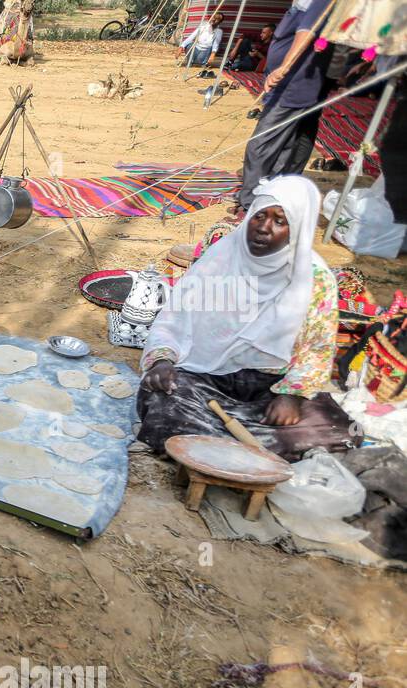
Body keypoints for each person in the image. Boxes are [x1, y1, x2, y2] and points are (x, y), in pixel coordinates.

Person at [137, 176, 359, 463]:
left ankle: (207, 446)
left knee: (341, 431)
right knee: (161, 399)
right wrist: (162, 361)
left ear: (298, 229)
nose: (264, 228)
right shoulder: (220, 258)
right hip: (206, 378)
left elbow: (317, 348)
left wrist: (292, 396)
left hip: (272, 388)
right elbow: (173, 320)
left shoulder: (314, 278)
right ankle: (249, 450)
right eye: (259, 216)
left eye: (280, 221)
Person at [235, 0, 332, 213]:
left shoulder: (316, 3)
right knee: (290, 141)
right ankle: (274, 194)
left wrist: (284, 67)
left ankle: (254, 202)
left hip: (293, 85)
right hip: (298, 83)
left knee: (263, 144)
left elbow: (308, 31)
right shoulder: (303, 7)